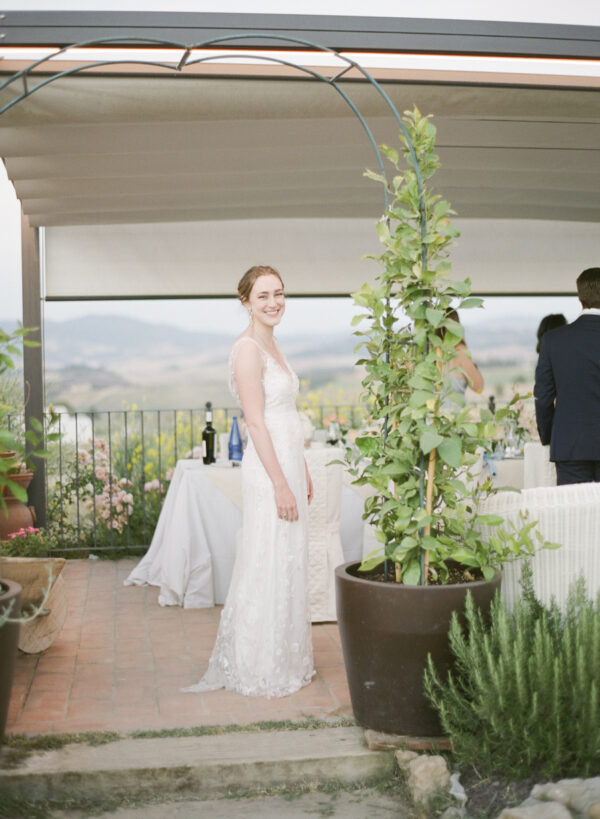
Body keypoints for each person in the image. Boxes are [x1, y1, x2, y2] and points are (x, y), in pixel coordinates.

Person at [183, 265, 315, 697]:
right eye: (263, 296)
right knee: (267, 557)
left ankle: (285, 655)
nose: (274, 302)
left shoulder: (272, 342)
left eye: (279, 293)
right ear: (245, 302)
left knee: (289, 558)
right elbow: (256, 423)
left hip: (289, 463)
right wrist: (280, 482)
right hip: (268, 470)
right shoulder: (247, 350)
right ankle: (258, 663)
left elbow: (288, 417)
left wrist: (303, 468)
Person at [534, 267, 600, 485]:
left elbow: (543, 398)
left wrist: (548, 436)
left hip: (570, 445)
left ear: (579, 298)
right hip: (572, 445)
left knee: (575, 516)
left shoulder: (554, 340)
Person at [437, 308, 484, 407]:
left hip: (432, 417)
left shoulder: (429, 351)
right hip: (454, 416)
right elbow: (478, 386)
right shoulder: (460, 352)